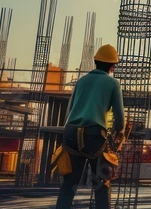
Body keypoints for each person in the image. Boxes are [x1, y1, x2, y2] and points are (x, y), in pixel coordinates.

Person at [55, 44, 125, 209]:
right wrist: (118, 133)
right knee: (101, 184)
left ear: (95, 61)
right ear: (112, 66)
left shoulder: (81, 81)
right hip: (95, 136)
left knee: (68, 185)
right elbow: (120, 118)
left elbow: (70, 111)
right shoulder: (113, 83)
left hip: (71, 133)